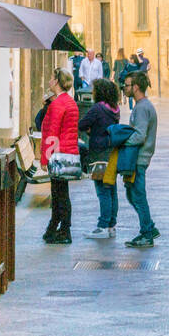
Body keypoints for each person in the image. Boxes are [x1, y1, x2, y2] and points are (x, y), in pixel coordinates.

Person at [40, 69, 79, 244]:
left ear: (56, 81)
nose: (49, 80)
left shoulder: (58, 105)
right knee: (60, 193)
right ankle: (56, 227)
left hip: (58, 155)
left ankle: (64, 230)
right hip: (68, 152)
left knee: (59, 194)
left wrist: (44, 158)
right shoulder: (70, 102)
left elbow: (52, 134)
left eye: (51, 77)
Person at [78, 77, 121, 238]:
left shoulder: (97, 109)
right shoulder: (115, 109)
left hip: (98, 154)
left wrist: (90, 130)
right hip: (111, 153)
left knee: (102, 191)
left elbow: (82, 124)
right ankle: (111, 225)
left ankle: (102, 226)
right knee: (111, 191)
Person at [122, 70, 159, 248]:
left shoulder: (142, 108)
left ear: (136, 87)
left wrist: (122, 142)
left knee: (138, 195)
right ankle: (149, 226)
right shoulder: (141, 106)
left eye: (127, 85)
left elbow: (140, 135)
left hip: (139, 159)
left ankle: (147, 233)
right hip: (138, 158)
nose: (124, 88)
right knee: (132, 193)